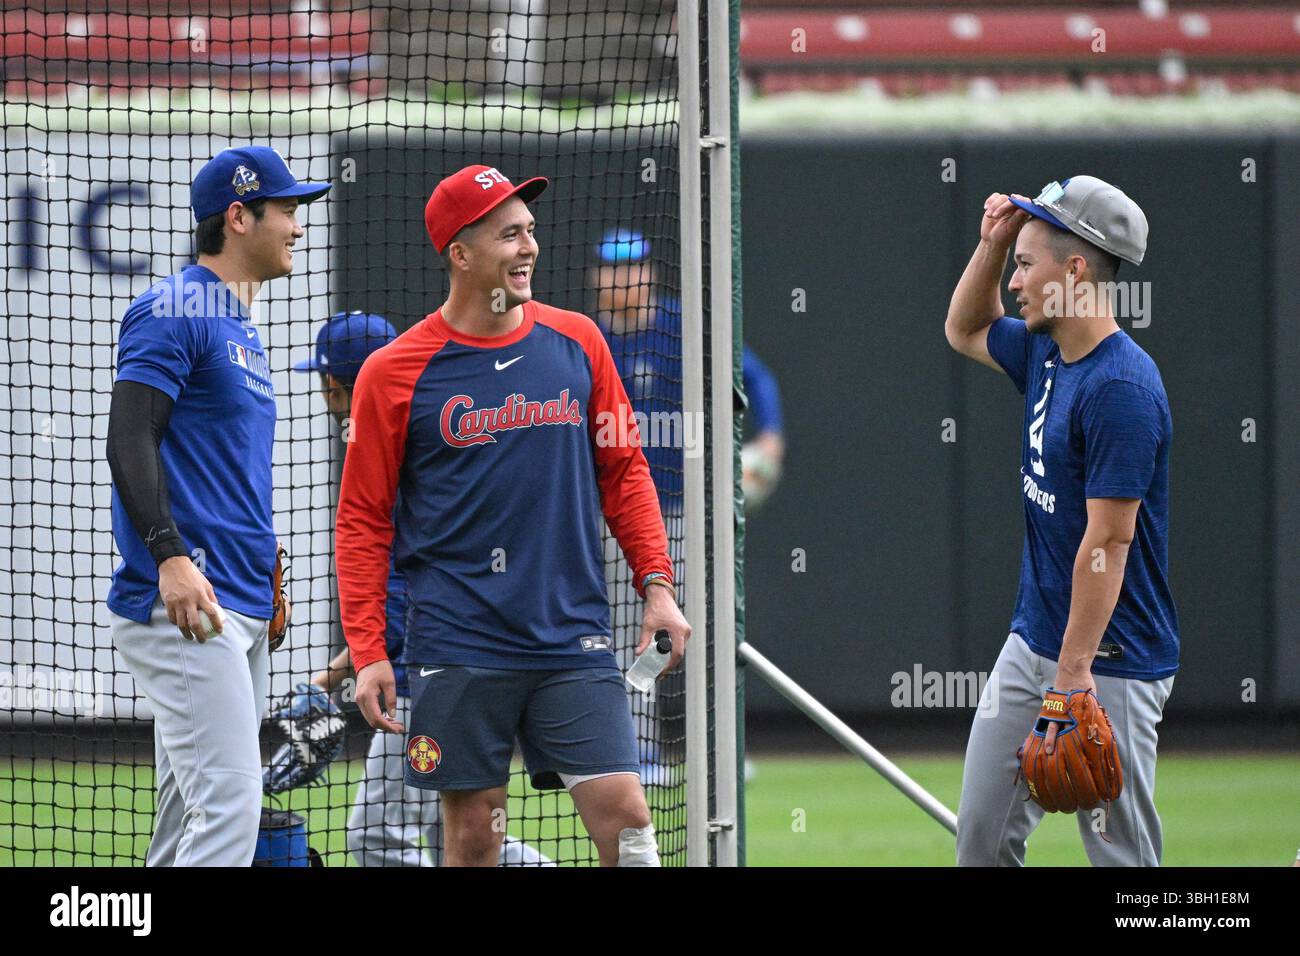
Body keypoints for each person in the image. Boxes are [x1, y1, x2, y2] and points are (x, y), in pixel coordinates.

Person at [335, 166, 691, 867]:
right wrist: (370, 650)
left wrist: (657, 584)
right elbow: (363, 522)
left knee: (628, 824)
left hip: (571, 640)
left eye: (530, 230)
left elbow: (624, 471)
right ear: (460, 254)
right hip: (457, 644)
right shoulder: (393, 371)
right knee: (471, 838)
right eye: (508, 234)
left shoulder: (579, 341)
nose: (528, 247)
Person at [106, 145, 330, 866]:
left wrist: (269, 569)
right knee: (233, 808)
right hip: (187, 605)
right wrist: (170, 555)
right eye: (287, 208)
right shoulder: (176, 305)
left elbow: (223, 470)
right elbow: (129, 438)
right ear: (239, 216)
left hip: (238, 603)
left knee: (187, 824)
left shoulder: (241, 327)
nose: (298, 224)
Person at [944, 176, 1178, 866]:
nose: (1015, 283)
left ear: (1074, 271)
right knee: (979, 843)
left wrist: (1073, 677)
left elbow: (1108, 542)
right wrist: (991, 244)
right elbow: (965, 327)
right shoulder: (1047, 349)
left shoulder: (1122, 389)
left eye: (1024, 264)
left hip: (1113, 662)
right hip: (1032, 645)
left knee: (1120, 862)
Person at [293, 310, 550, 866]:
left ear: (336, 385)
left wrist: (335, 674)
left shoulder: (387, 452)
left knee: (375, 837)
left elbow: (395, 602)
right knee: (452, 834)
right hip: (475, 660)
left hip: (426, 681)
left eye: (324, 383)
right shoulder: (437, 431)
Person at [589, 227, 785, 785]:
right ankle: (639, 751)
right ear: (597, 279)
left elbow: (756, 377)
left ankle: (718, 747)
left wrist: (767, 437)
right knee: (631, 632)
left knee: (711, 624)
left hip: (687, 512)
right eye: (610, 269)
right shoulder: (591, 340)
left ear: (649, 272)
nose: (622, 279)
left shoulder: (683, 327)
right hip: (615, 519)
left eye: (632, 267)